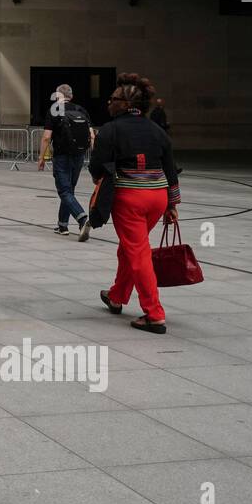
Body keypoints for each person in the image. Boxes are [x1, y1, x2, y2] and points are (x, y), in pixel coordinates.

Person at [90, 73, 180, 335]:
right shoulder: (157, 131)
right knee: (130, 247)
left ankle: (154, 314)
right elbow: (170, 169)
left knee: (138, 252)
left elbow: (97, 168)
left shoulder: (111, 130)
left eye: (113, 99)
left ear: (125, 104)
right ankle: (117, 295)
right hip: (158, 197)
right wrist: (172, 205)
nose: (109, 102)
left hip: (130, 198)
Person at [37, 84, 95, 241]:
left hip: (62, 155)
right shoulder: (81, 110)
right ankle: (62, 225)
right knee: (69, 190)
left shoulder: (54, 110)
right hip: (79, 155)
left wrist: (42, 157)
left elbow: (46, 137)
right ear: (71, 96)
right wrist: (93, 154)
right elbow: (91, 135)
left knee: (64, 191)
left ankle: (82, 219)